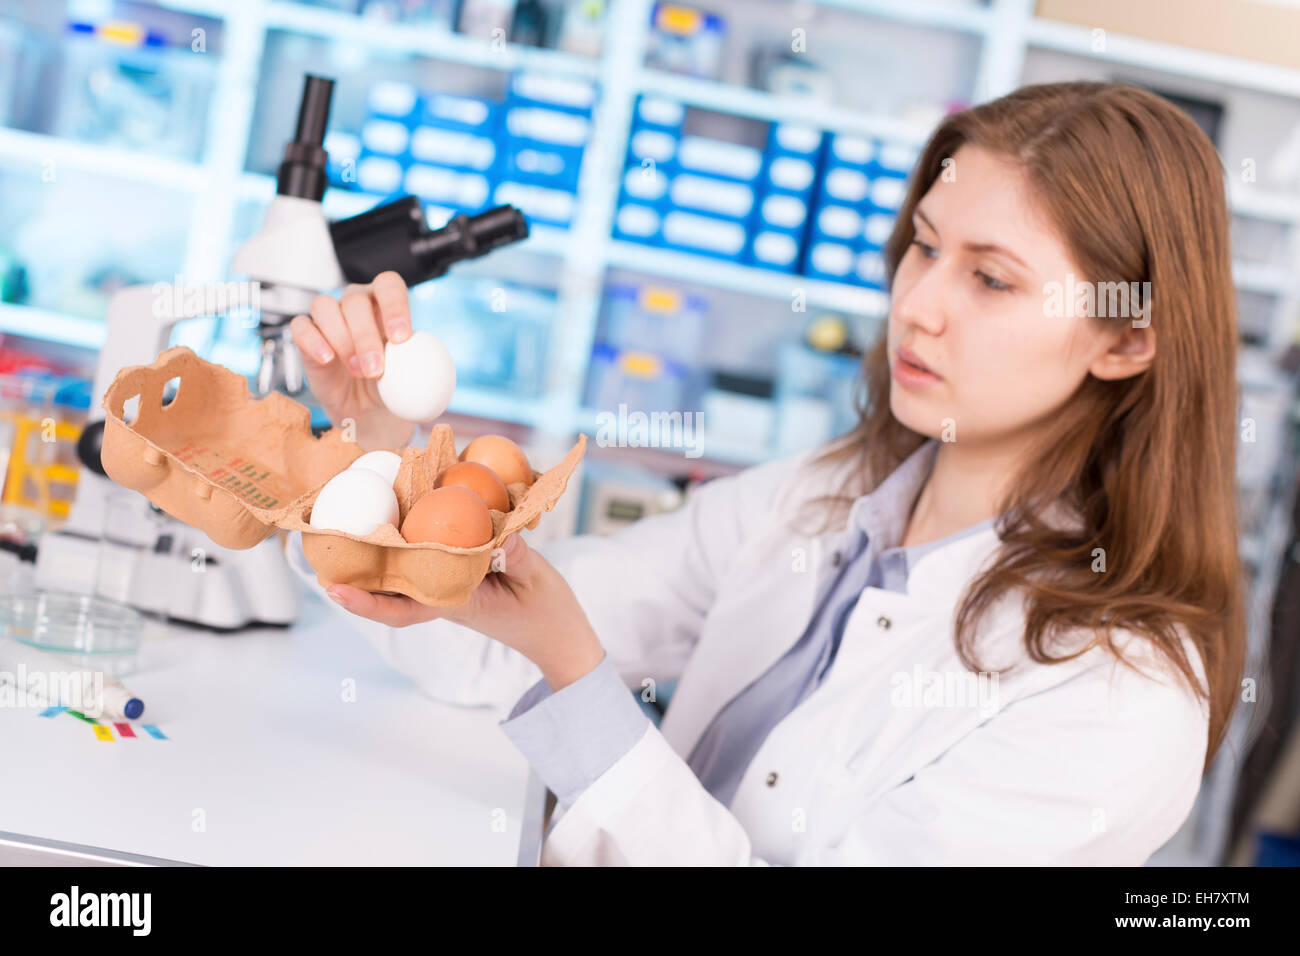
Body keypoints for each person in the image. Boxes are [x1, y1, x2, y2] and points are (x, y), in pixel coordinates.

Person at [286, 81, 1245, 865]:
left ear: (1126, 340)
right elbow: (479, 655)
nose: (919, 305)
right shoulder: (824, 497)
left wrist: (574, 666)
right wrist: (369, 441)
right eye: (924, 245)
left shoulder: (1117, 695)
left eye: (991, 280)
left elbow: (558, 656)